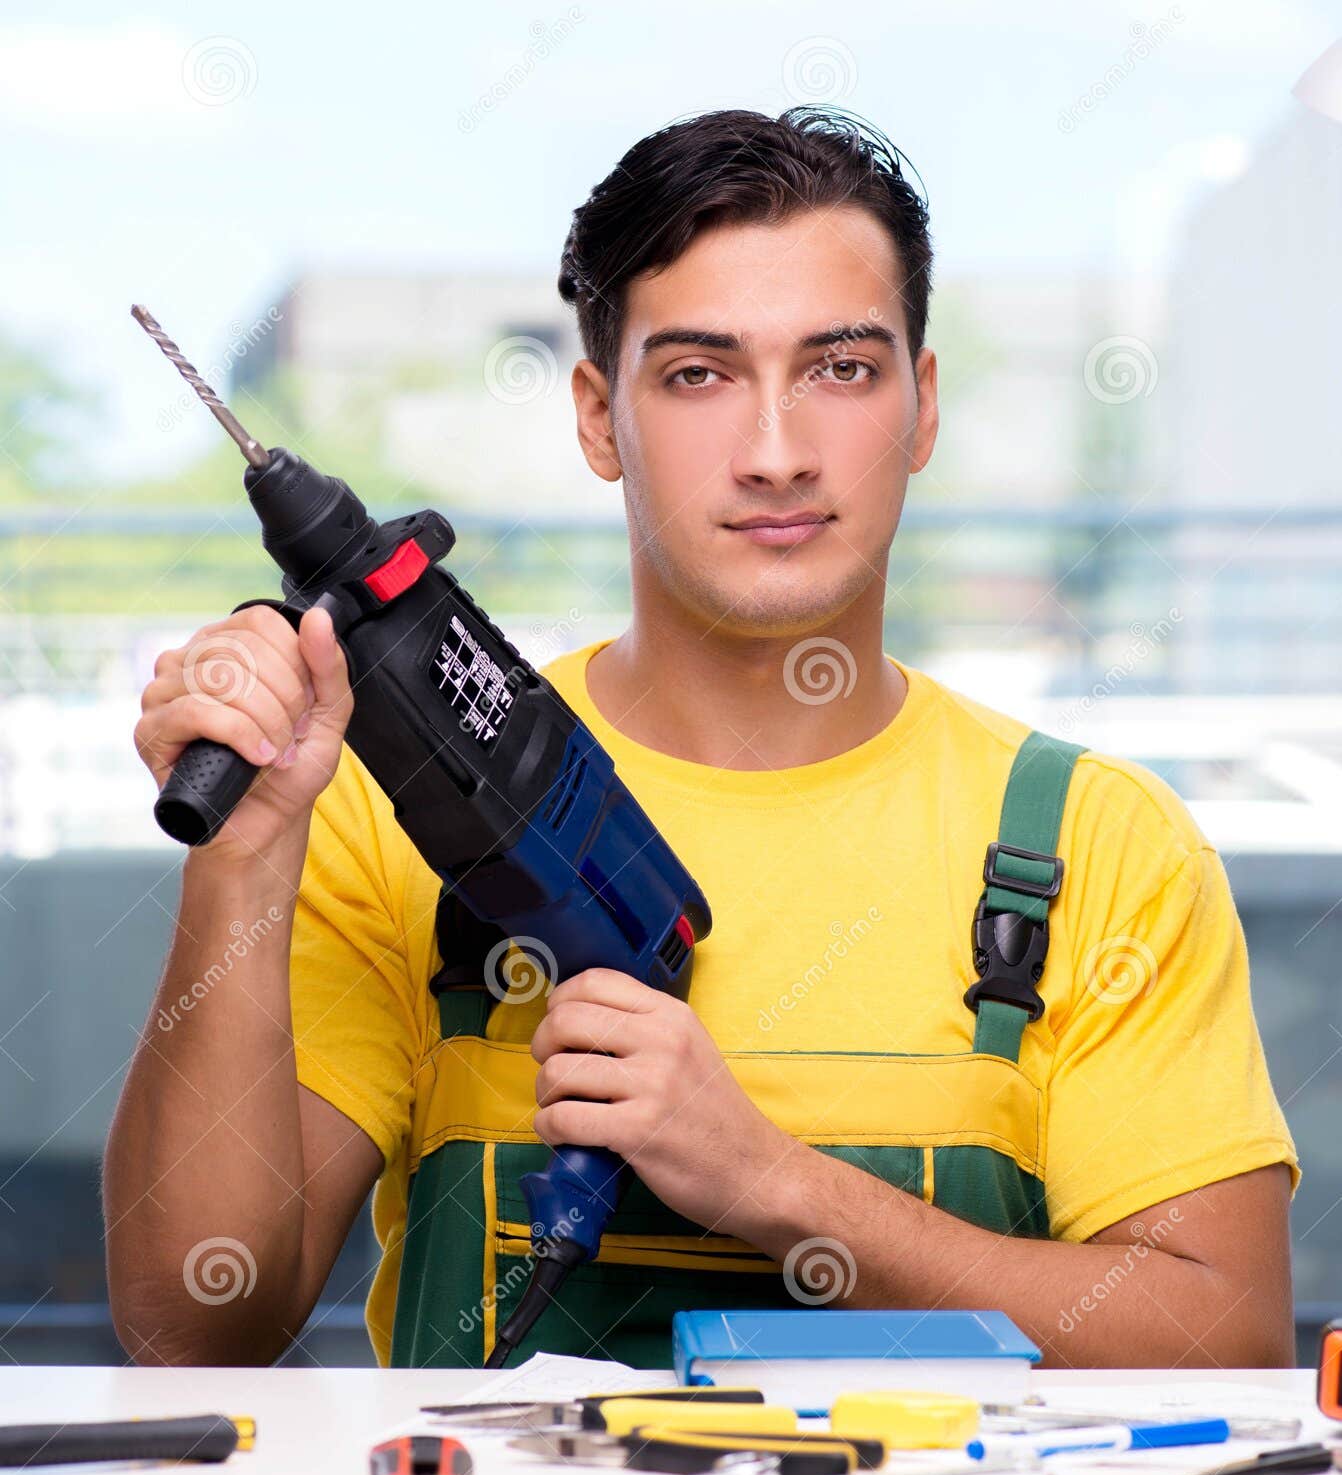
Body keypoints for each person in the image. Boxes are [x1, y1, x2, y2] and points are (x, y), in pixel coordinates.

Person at [106, 107, 1298, 1372]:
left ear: (923, 404)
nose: (776, 453)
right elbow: (195, 1325)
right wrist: (236, 857)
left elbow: (1222, 1343)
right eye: (697, 374)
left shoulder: (1095, 844)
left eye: (841, 368)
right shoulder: (384, 813)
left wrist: (775, 1187)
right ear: (597, 417)